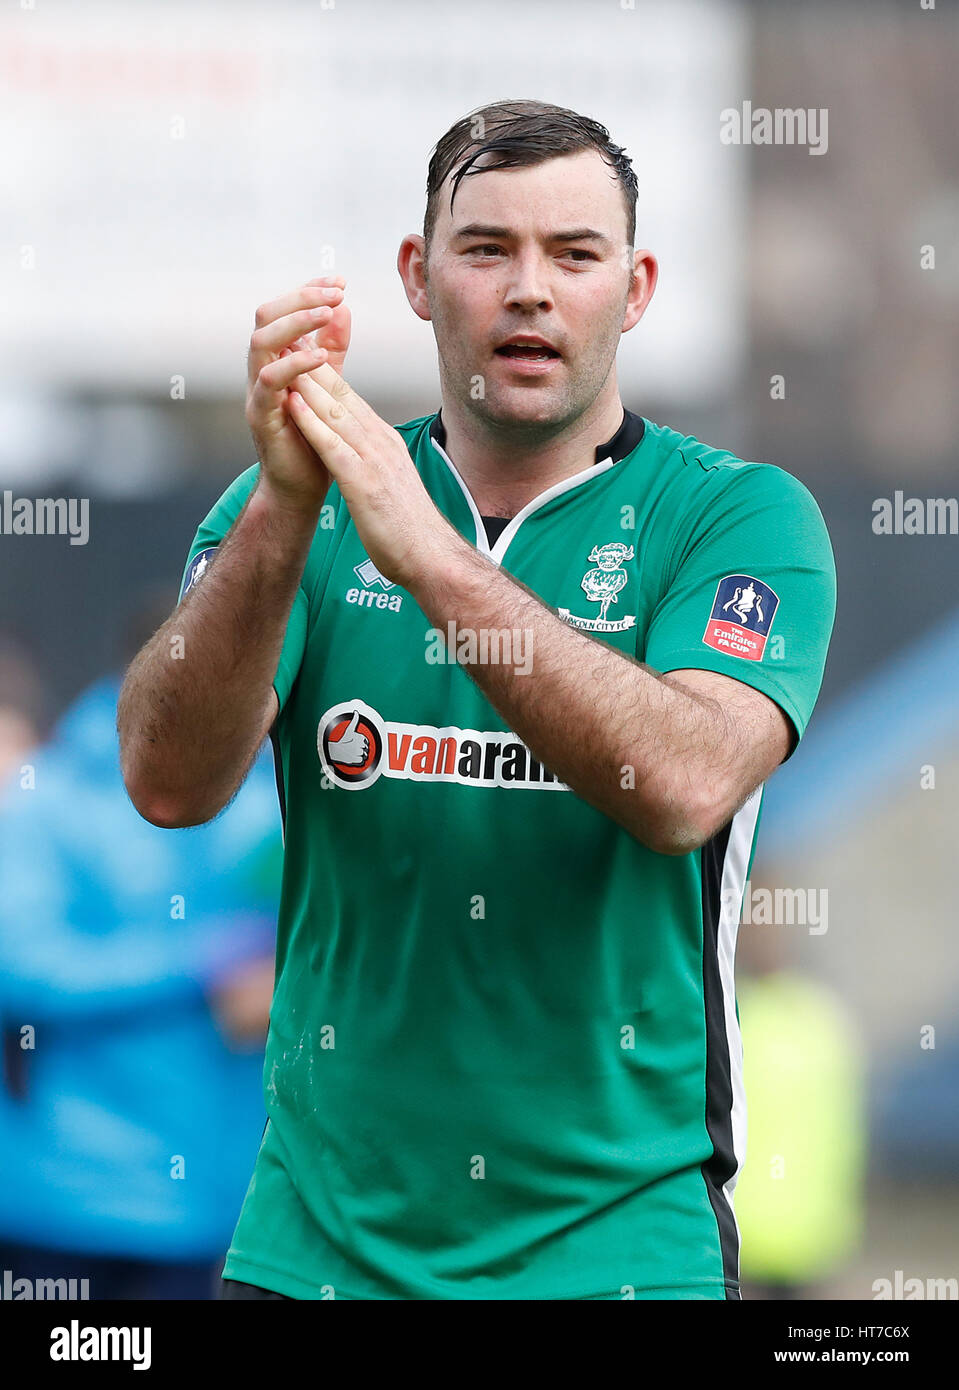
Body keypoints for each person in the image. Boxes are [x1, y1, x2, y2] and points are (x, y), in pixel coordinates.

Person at [117, 99, 837, 1301]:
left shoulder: (740, 517)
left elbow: (682, 785)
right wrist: (286, 513)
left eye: (574, 254)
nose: (529, 290)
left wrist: (431, 558)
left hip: (617, 1257)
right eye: (486, 248)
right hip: (312, 1253)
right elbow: (168, 781)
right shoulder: (295, 505)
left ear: (637, 285)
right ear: (417, 275)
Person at [0, 608, 282, 1299]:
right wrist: (204, 963)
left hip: (219, 1208)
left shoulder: (281, 798)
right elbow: (20, 969)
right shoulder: (48, 798)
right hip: (63, 1203)